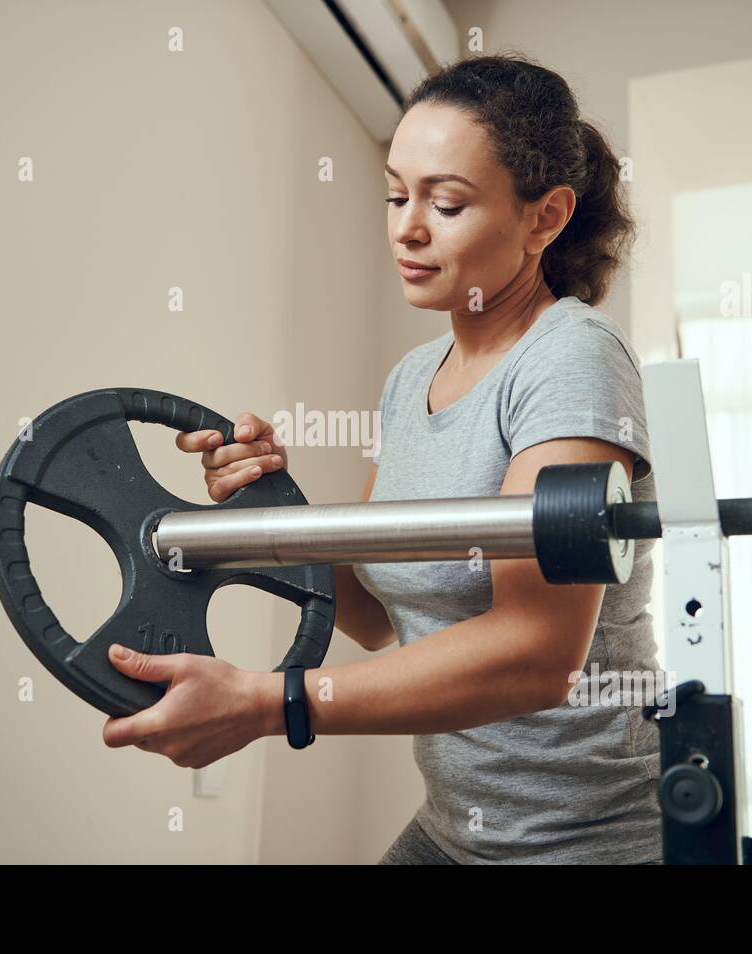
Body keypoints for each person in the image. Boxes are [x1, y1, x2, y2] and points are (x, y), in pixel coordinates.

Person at [101, 53, 663, 864]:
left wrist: (271, 703)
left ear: (545, 218)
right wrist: (266, 496)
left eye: (447, 202)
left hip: (587, 841)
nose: (407, 226)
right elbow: (368, 614)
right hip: (458, 825)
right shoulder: (412, 381)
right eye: (397, 195)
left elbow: (539, 654)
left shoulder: (571, 360)